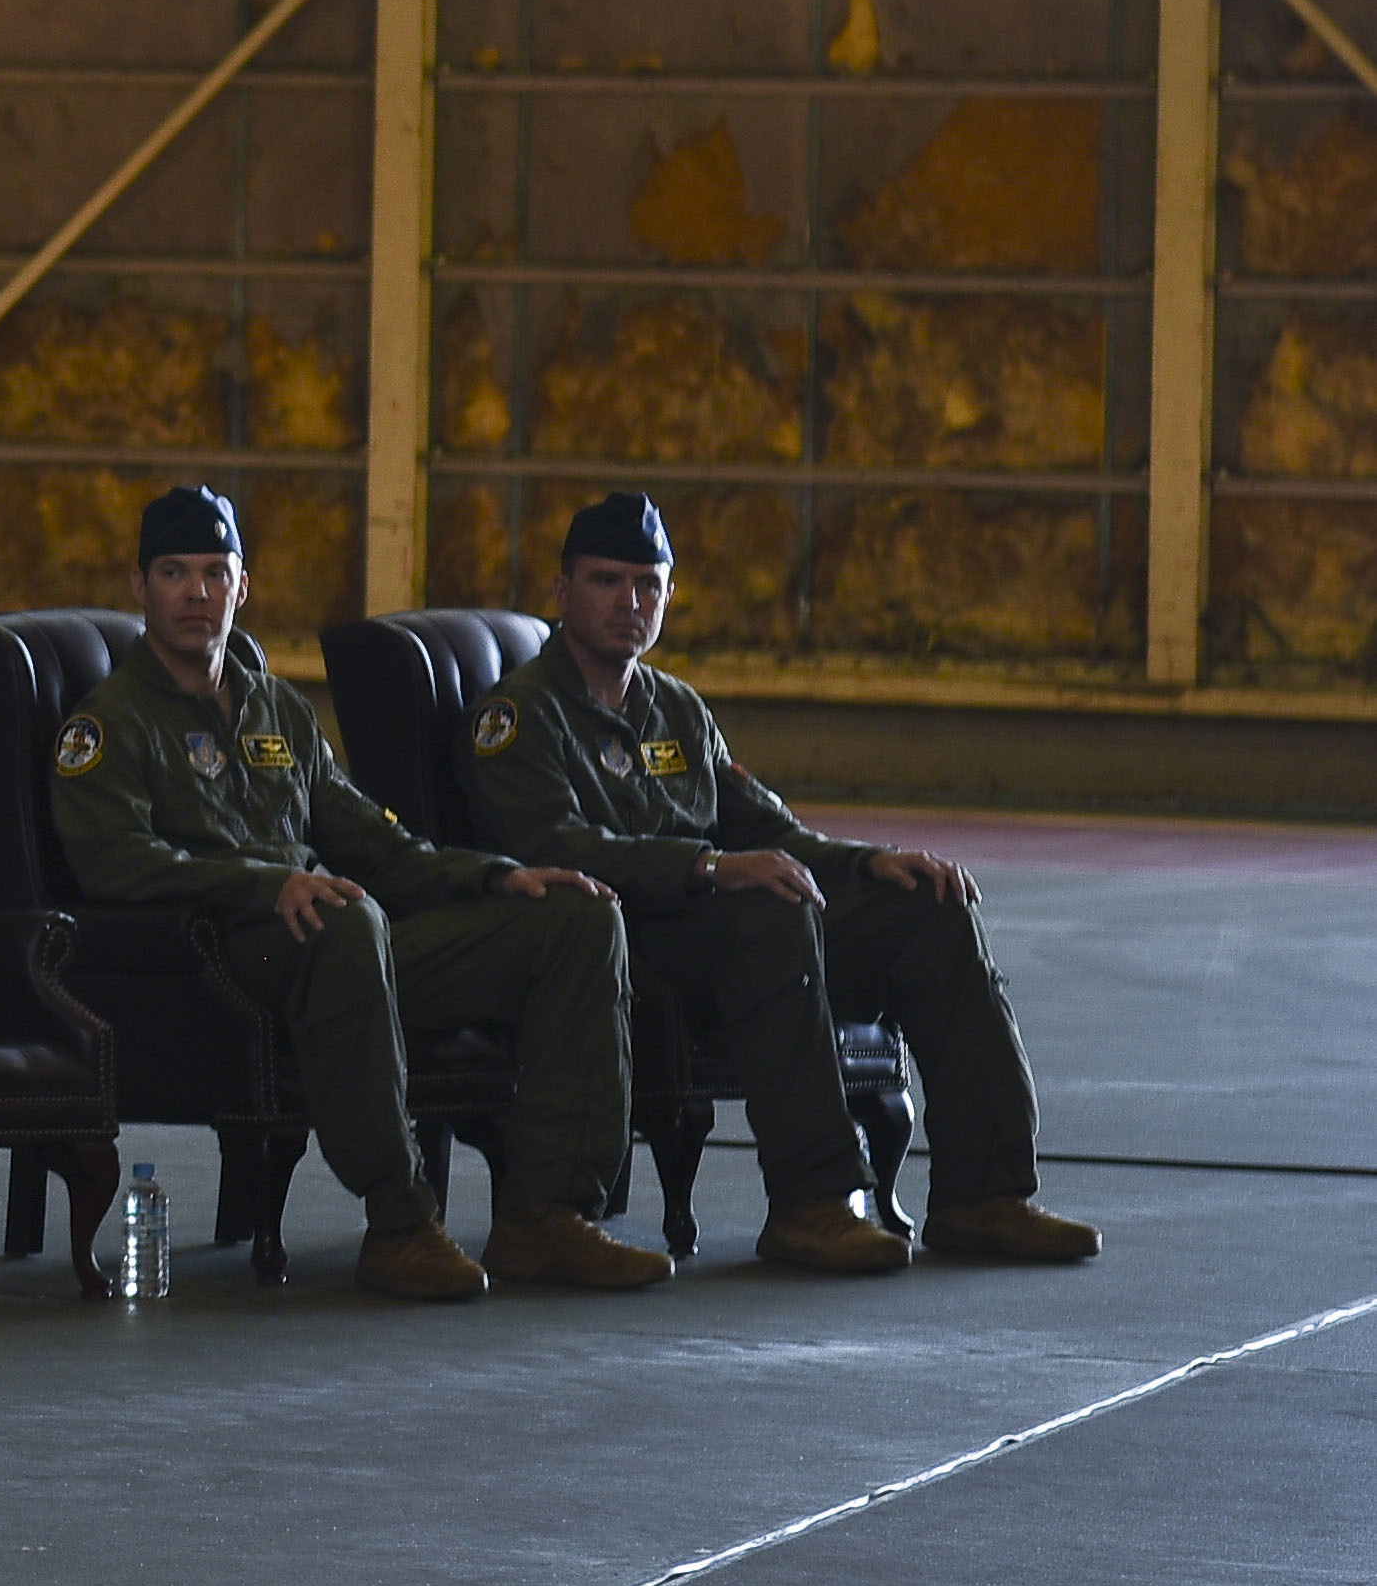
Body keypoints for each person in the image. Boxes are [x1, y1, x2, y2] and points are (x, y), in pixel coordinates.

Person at [49, 485, 669, 1301]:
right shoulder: (110, 724)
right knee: (345, 920)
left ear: (243, 587)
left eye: (213, 572)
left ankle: (544, 1215)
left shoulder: (278, 709)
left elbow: (375, 842)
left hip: (340, 938)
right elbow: (115, 862)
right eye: (173, 572)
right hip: (227, 950)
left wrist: (492, 875)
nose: (195, 592)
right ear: (140, 589)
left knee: (575, 920)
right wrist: (264, 883)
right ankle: (400, 1222)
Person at [461, 493, 1095, 1270]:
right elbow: (552, 844)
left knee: (925, 906)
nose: (628, 602)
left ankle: (985, 1195)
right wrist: (706, 867)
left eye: (647, 584)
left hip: (723, 925)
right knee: (766, 906)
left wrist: (869, 860)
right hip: (620, 938)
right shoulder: (519, 715)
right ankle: (812, 1200)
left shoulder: (677, 710)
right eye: (604, 581)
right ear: (561, 593)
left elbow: (766, 829)